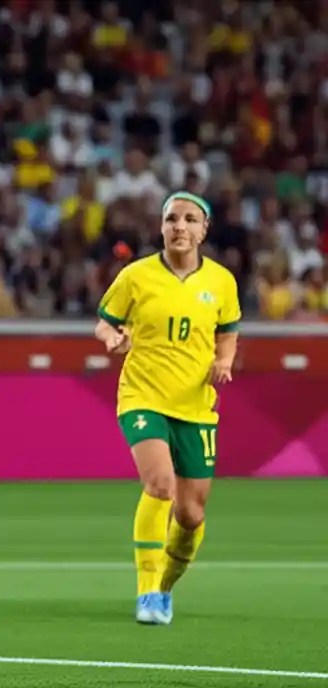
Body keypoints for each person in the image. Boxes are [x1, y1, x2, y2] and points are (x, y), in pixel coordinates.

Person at [94, 191, 240, 626]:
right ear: (161, 226)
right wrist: (112, 339)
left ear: (203, 230)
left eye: (189, 219)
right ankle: (146, 592)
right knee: (160, 484)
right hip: (143, 396)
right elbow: (105, 321)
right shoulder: (136, 276)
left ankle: (165, 589)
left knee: (191, 514)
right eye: (172, 218)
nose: (179, 226)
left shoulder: (221, 282)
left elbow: (227, 330)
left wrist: (225, 361)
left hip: (195, 406)